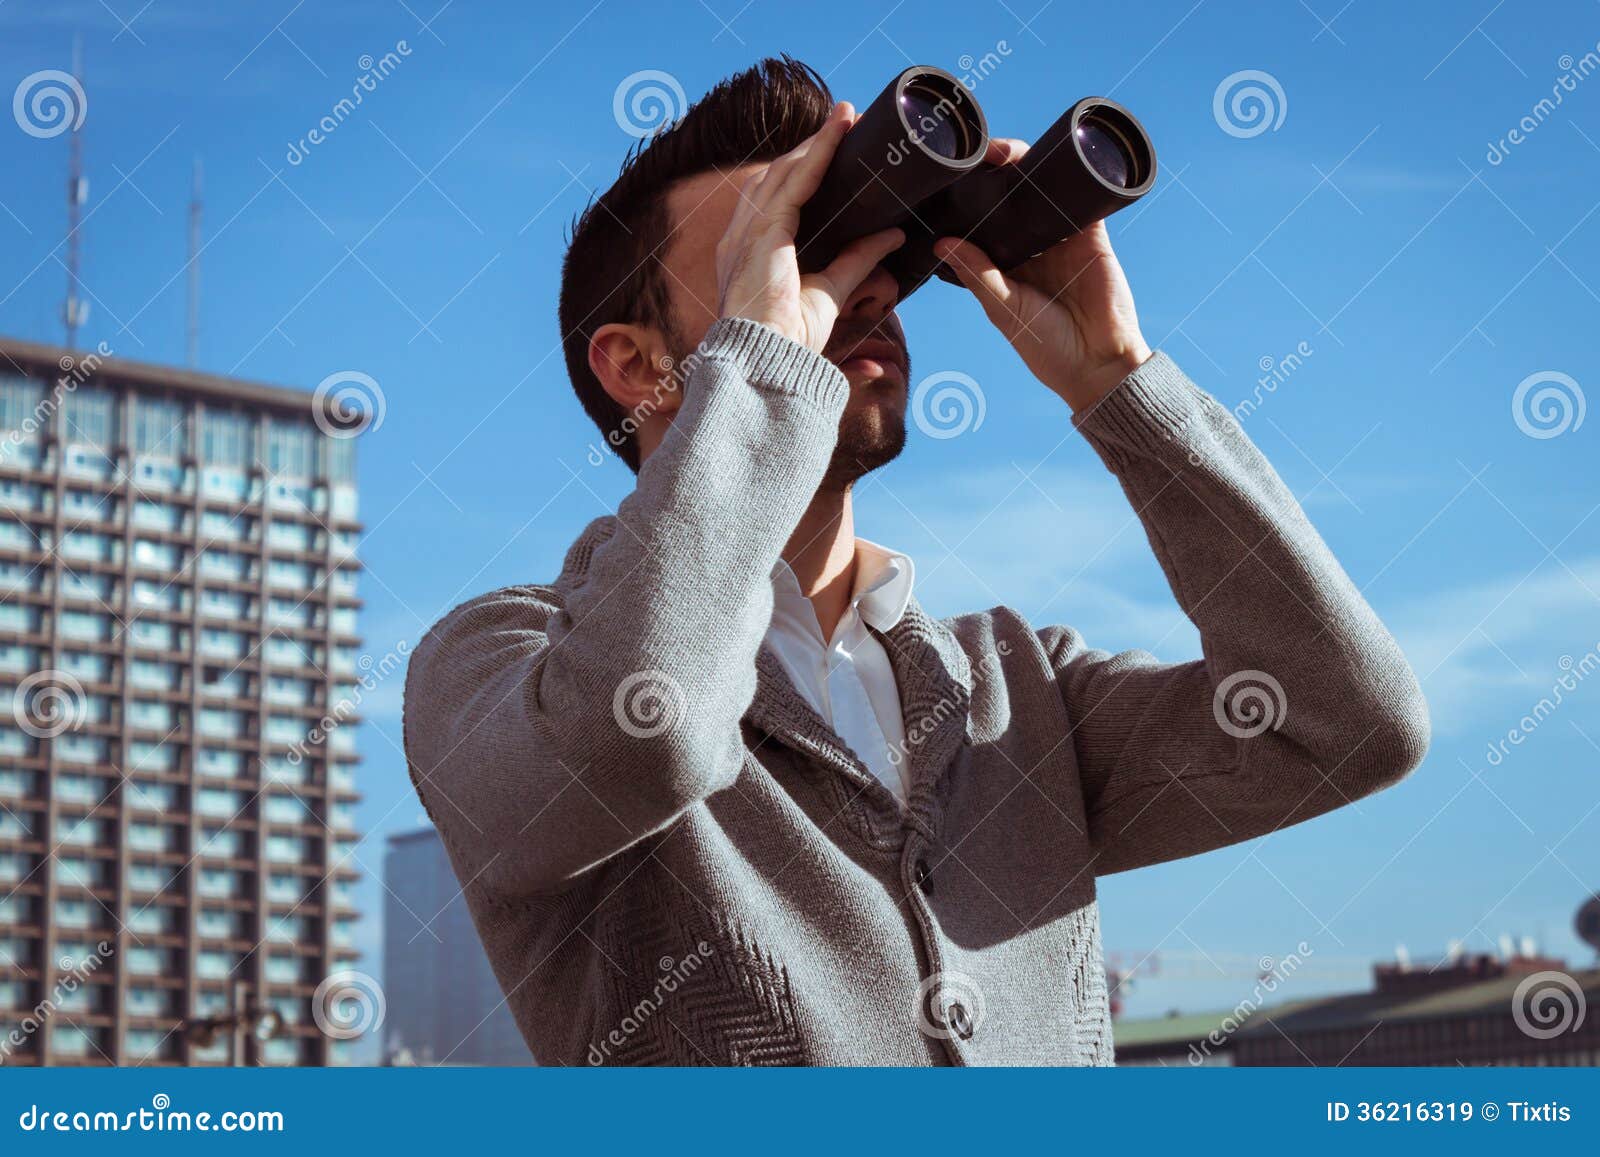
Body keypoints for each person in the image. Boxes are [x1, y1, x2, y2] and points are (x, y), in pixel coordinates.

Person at [401, 58, 1429, 1066]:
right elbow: (644, 730)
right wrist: (770, 367)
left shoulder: (1015, 693)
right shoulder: (503, 662)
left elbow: (1347, 724)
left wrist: (1121, 386)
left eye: (859, 248)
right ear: (635, 364)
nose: (861, 290)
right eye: (779, 252)